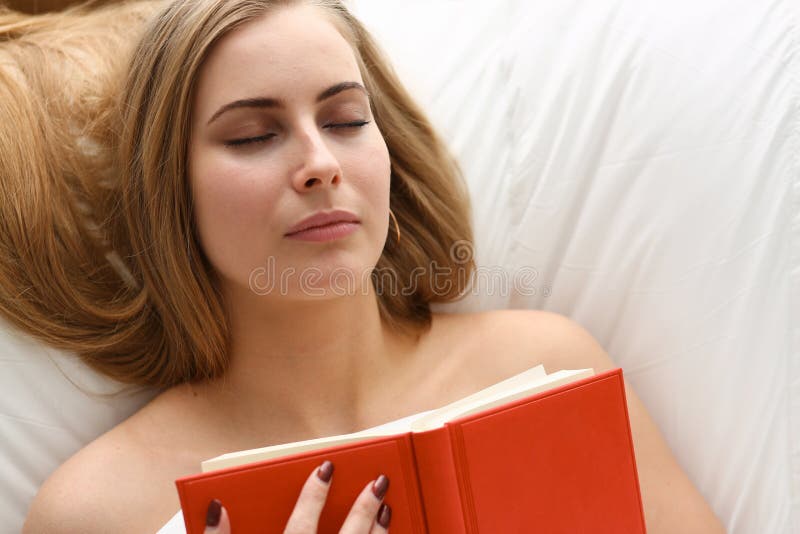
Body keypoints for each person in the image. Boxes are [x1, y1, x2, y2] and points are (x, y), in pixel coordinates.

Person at [0, 0, 726, 532]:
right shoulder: (97, 510)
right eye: (253, 136)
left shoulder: (546, 370)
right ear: (171, 192)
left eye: (346, 121)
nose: (320, 163)